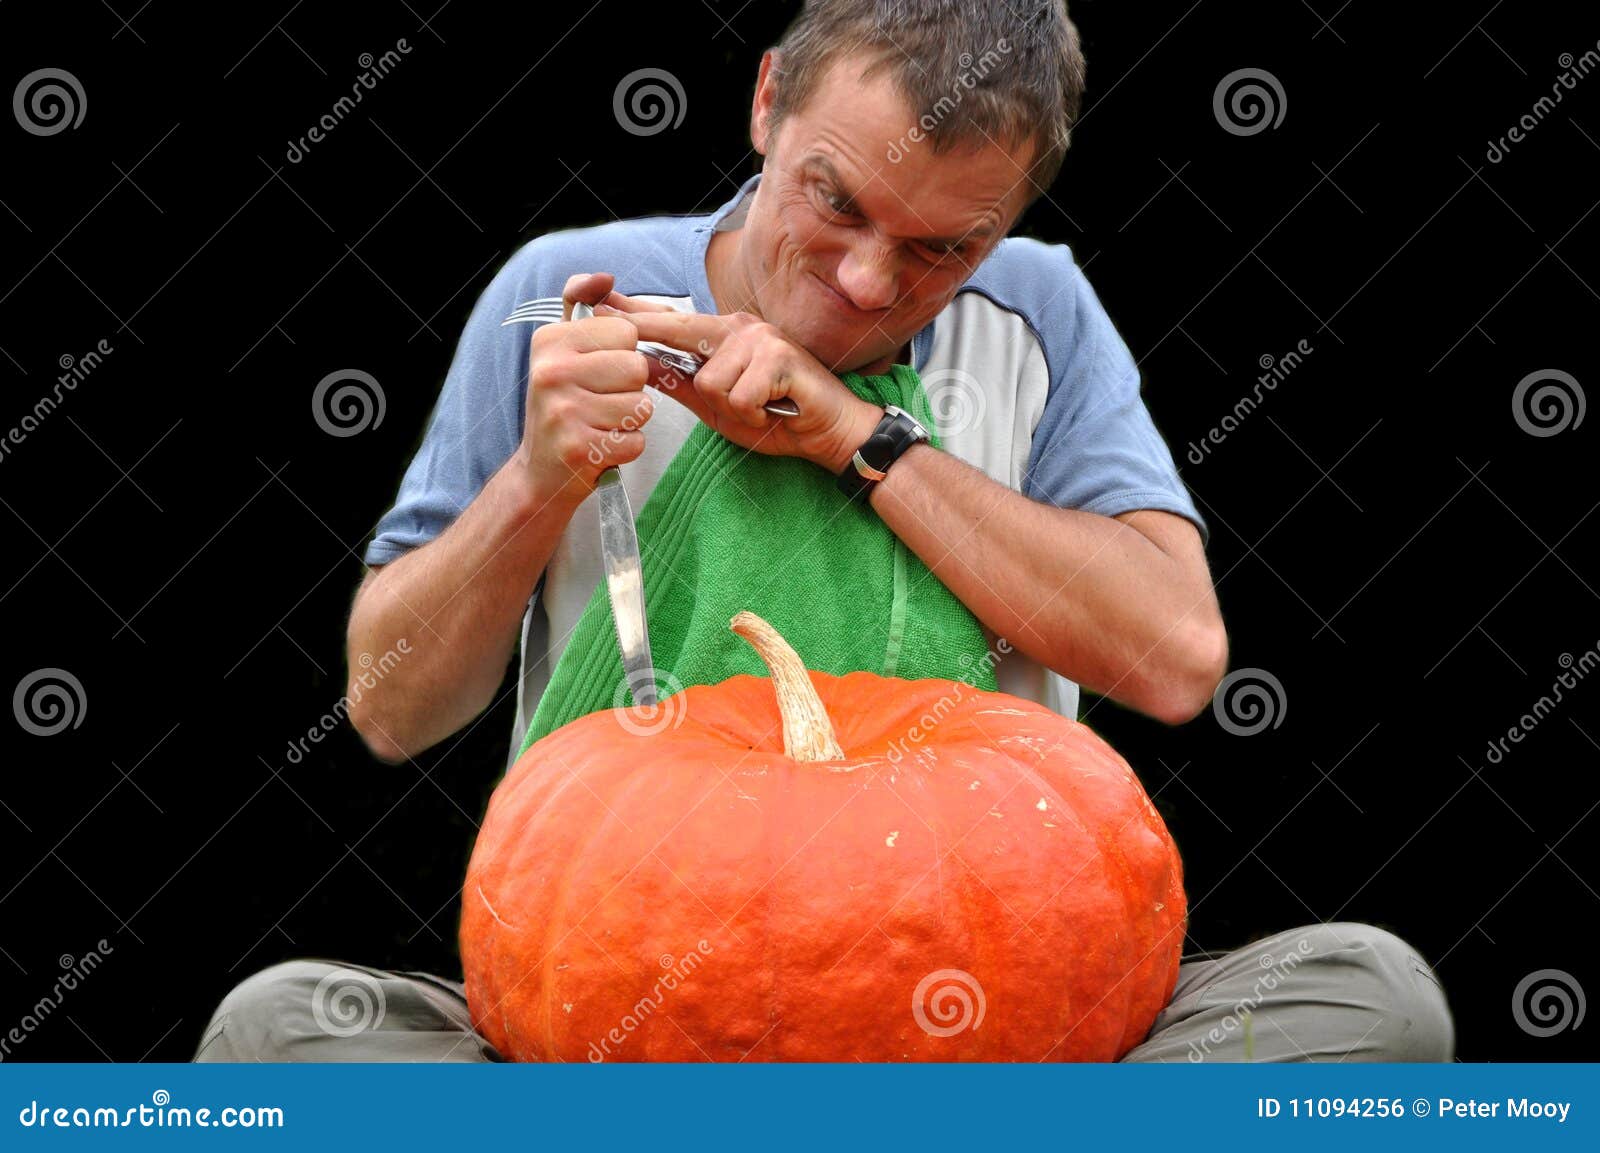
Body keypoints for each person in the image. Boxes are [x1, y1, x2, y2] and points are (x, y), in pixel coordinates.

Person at [195, 0, 1453, 1062]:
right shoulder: (559, 295)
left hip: (985, 1019)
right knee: (279, 1031)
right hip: (627, 1014)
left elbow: (1175, 661)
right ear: (764, 105)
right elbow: (385, 707)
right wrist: (535, 482)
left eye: (941, 247)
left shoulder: (1043, 312)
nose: (864, 282)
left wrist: (859, 434)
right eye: (833, 200)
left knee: (1374, 998)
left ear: (1003, 225)